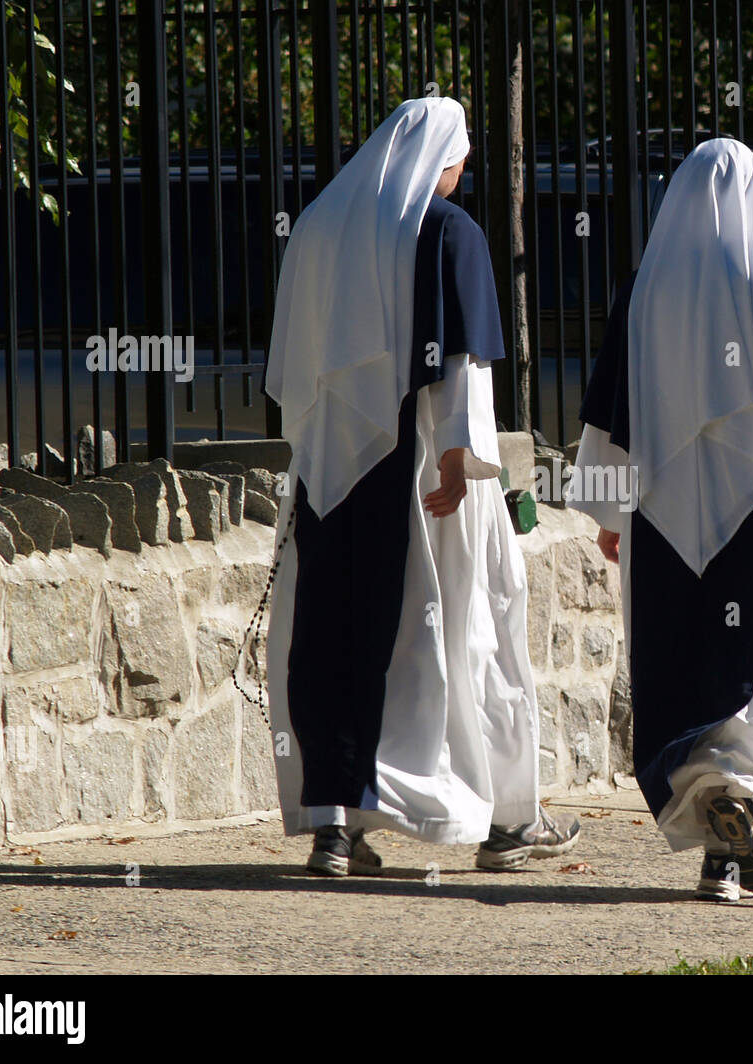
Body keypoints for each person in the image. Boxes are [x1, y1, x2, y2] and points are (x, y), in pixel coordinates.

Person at [263, 97, 579, 876]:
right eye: (462, 159)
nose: (463, 173)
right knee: (472, 636)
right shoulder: (448, 232)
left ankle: (336, 824)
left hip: (327, 480)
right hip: (427, 476)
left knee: (330, 640)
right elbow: (464, 366)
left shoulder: (318, 229)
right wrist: (460, 463)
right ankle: (507, 821)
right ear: (445, 158)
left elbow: (296, 367)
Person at [568, 138, 753, 902]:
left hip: (659, 524)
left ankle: (721, 839)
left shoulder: (644, 293)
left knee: (684, 668)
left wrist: (610, 509)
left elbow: (611, 417)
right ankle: (745, 806)